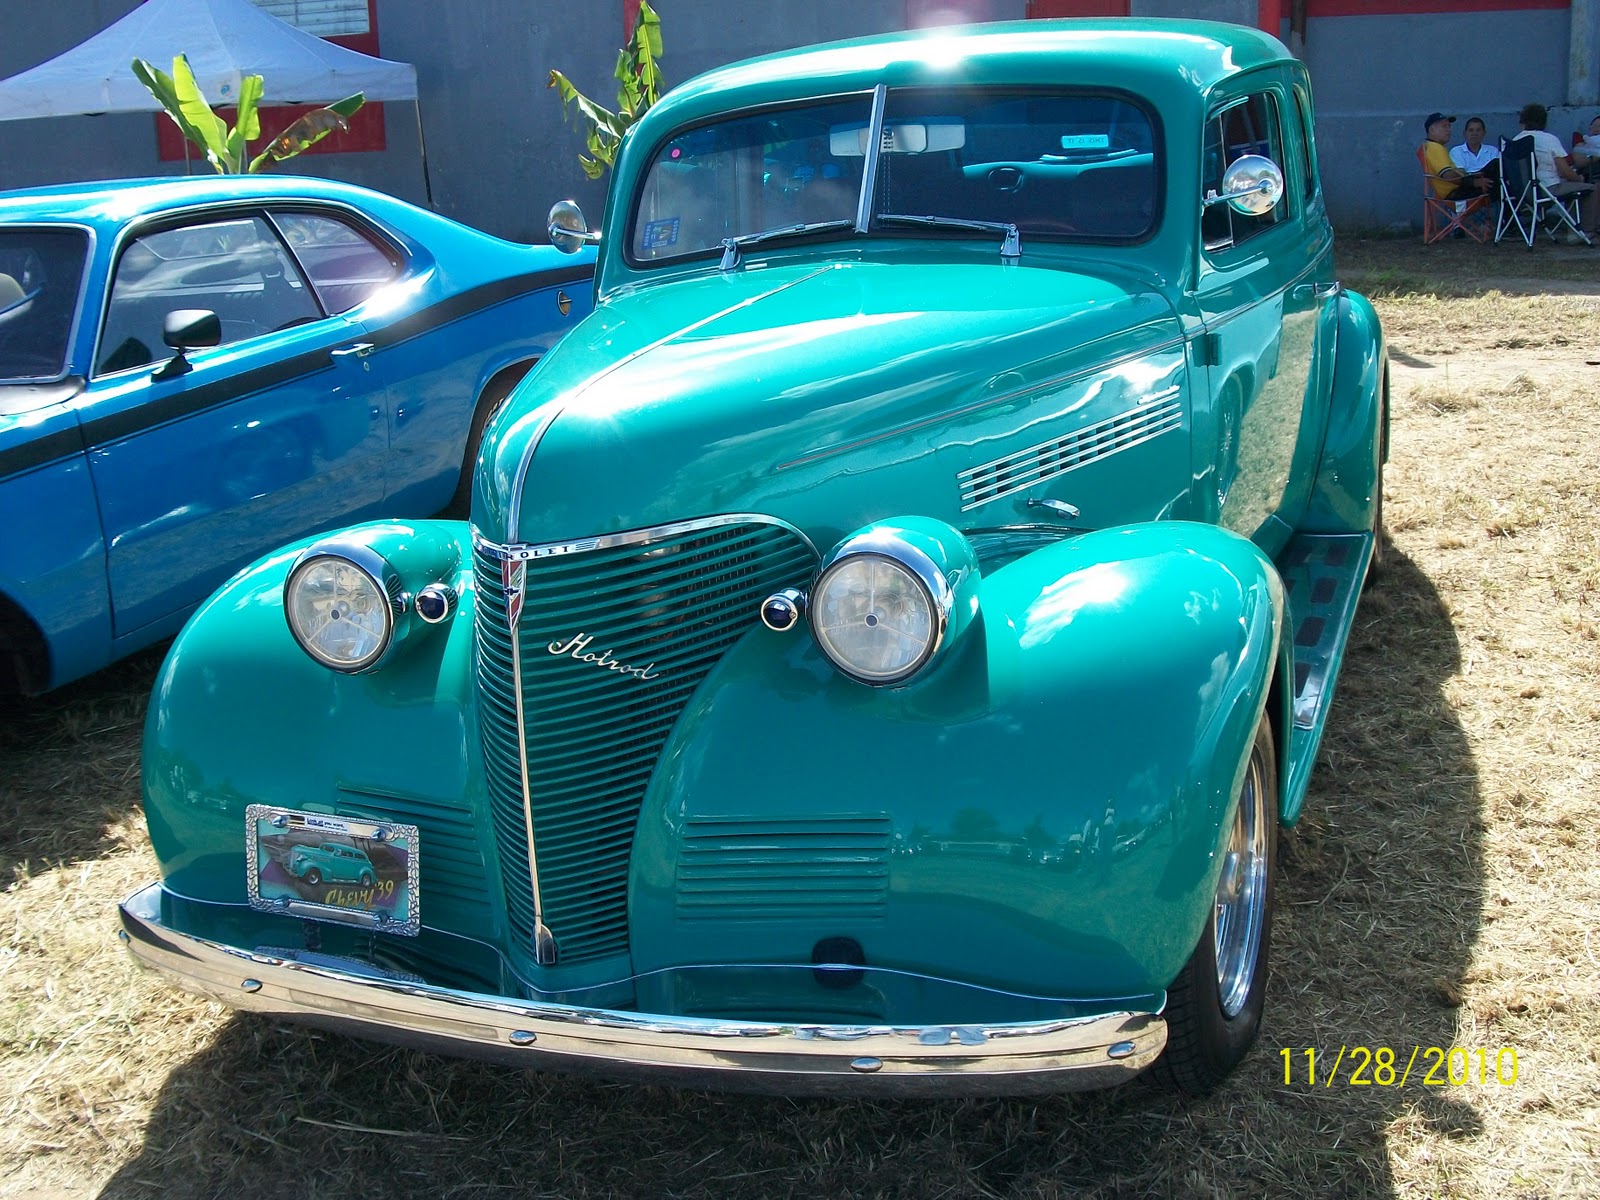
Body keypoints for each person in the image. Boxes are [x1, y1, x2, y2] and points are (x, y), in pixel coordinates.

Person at [1511, 103, 1593, 243]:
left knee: (1570, 187)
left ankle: (1574, 230)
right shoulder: (1549, 139)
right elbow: (1565, 171)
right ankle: (1586, 231)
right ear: (1544, 122)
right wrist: (1579, 178)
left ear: (1522, 122)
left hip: (1524, 193)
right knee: (1591, 188)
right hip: (1548, 189)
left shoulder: (1515, 141)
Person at [1420, 112, 1491, 202]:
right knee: (1498, 170)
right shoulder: (1435, 148)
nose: (1448, 130)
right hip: (1457, 194)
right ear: (1432, 130)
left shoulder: (1432, 147)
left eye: (1449, 126)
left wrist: (1463, 173)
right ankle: (1510, 214)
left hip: (1456, 191)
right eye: (1444, 126)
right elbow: (1449, 176)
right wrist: (1474, 182)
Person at [1449, 117, 1500, 190]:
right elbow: (1461, 175)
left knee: (1496, 164)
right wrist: (1479, 179)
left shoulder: (1492, 151)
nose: (1474, 133)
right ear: (1465, 133)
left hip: (1491, 185)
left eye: (1478, 130)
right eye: (1471, 130)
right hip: (1468, 187)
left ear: (1484, 133)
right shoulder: (1457, 151)